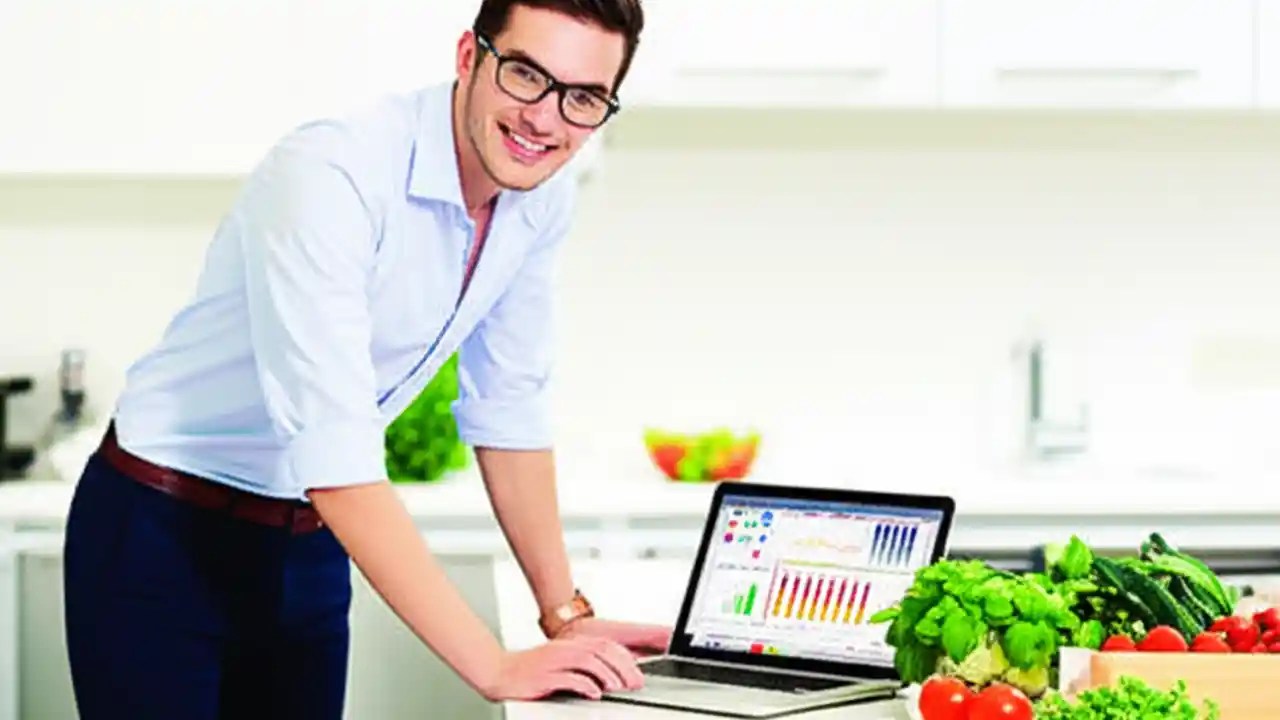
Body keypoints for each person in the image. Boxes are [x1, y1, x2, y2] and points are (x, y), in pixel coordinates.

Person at [61, 1, 669, 718]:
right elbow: (335, 449)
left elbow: (509, 402)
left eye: (584, 98)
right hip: (163, 530)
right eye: (526, 74)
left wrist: (564, 614)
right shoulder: (332, 173)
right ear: (469, 57)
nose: (544, 118)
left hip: (309, 541)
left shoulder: (540, 195)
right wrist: (494, 666)